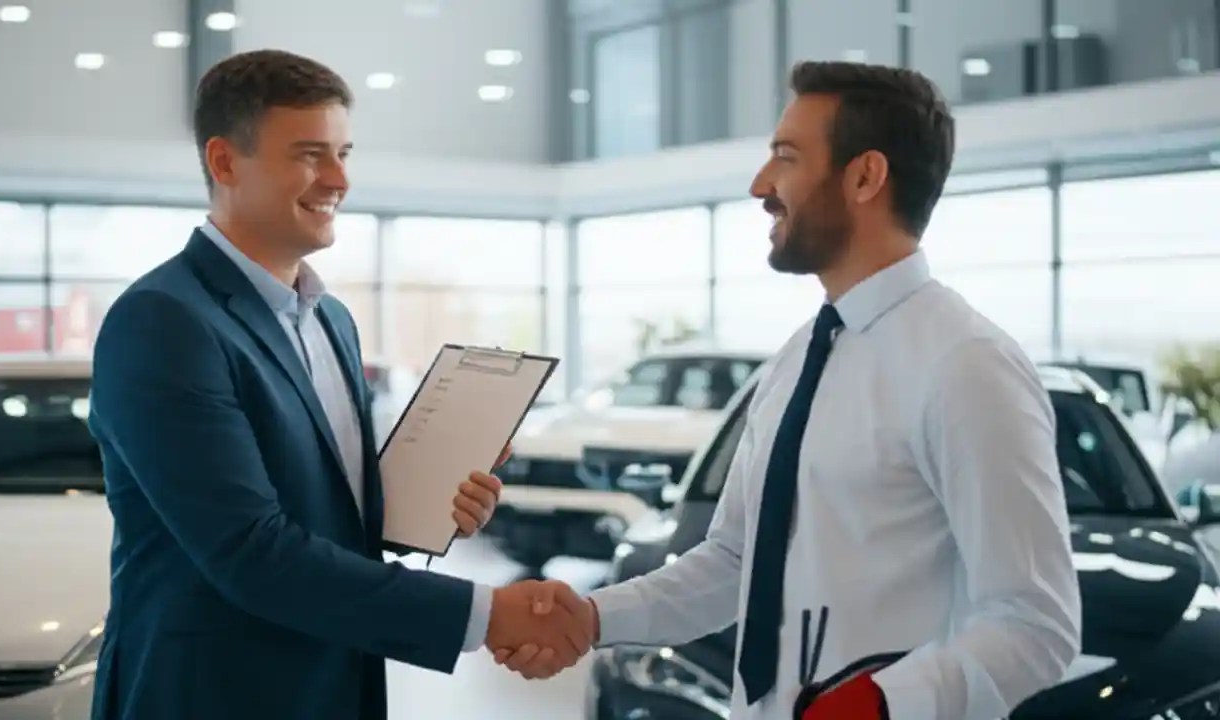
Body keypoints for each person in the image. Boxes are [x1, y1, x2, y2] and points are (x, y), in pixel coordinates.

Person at [498, 61, 1083, 719]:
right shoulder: (796, 359)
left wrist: (880, 705)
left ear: (864, 177)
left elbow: (1036, 622)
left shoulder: (968, 365)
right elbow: (734, 562)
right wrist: (593, 616)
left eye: (786, 156)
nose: (760, 185)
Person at [87, 49, 591, 720]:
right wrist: (486, 613)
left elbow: (328, 517)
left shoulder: (332, 320)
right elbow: (249, 551)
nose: (339, 179)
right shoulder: (164, 321)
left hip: (335, 680)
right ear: (224, 162)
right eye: (309, 155)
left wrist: (424, 506)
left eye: (344, 153)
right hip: (213, 694)